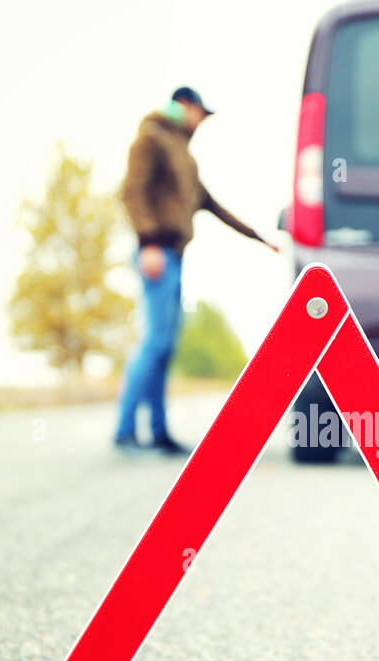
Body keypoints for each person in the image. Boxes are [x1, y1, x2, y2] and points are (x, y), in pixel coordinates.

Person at [114, 86, 277, 454]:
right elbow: (132, 191)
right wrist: (148, 244)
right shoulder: (151, 139)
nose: (202, 121)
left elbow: (214, 206)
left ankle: (158, 432)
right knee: (154, 343)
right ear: (183, 106)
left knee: (166, 347)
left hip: (175, 256)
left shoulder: (183, 155)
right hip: (157, 253)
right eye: (200, 113)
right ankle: (125, 431)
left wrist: (260, 238)